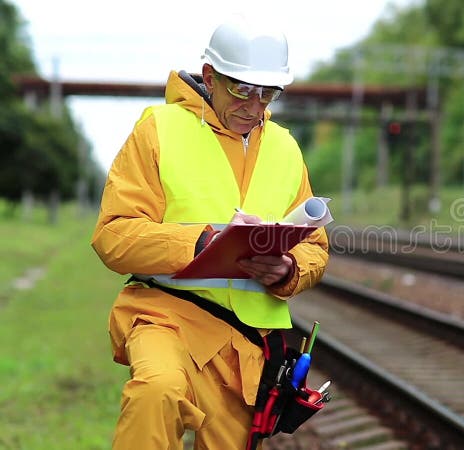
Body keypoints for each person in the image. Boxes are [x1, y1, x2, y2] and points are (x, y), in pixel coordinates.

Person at [91, 17, 329, 449]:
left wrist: (287, 269)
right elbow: (114, 235)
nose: (254, 107)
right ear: (209, 77)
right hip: (167, 318)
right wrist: (200, 244)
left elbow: (316, 247)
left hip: (246, 347)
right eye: (242, 89)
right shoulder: (158, 130)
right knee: (156, 391)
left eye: (267, 93)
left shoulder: (285, 148)